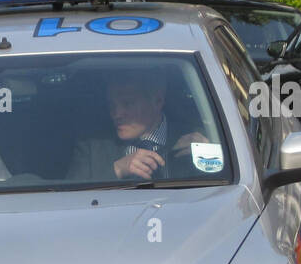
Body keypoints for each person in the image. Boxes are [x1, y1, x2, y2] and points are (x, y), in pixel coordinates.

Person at [67, 70, 210, 183]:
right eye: (112, 105)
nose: (116, 114)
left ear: (157, 101)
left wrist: (212, 154)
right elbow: (68, 198)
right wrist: (117, 170)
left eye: (127, 104)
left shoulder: (199, 138)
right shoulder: (93, 145)